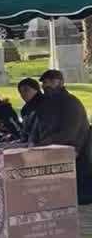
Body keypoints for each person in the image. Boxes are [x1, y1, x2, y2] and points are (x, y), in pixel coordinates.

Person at [34, 69, 92, 204]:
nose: (46, 85)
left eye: (51, 82)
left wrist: (45, 143)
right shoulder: (46, 103)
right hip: (52, 149)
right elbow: (40, 126)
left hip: (74, 152)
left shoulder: (70, 102)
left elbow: (70, 132)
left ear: (60, 83)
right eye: (44, 83)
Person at [17, 77, 44, 144]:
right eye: (20, 92)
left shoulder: (44, 104)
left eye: (26, 90)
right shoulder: (25, 109)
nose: (23, 94)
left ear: (36, 89)